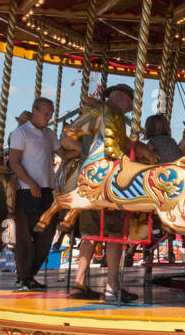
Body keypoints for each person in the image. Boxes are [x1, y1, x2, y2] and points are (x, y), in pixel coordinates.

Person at [59, 84, 148, 303]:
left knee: (89, 233)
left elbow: (67, 138)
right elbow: (122, 142)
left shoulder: (93, 112)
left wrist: (85, 153)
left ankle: (79, 283)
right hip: (109, 178)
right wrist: (143, 149)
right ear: (119, 98)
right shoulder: (111, 115)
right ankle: (112, 285)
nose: (129, 109)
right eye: (129, 102)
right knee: (114, 233)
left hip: (88, 180)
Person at [8, 96, 60, 293]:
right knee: (25, 237)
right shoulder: (21, 133)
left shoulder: (49, 134)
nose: (49, 117)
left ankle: (28, 276)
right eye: (46, 113)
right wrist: (30, 183)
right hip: (26, 190)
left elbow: (63, 153)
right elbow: (14, 162)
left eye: (51, 114)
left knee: (46, 236)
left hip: (47, 190)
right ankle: (23, 276)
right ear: (35, 111)